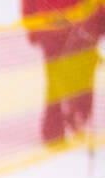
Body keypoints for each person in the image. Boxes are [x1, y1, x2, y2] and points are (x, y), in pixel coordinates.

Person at [23, 0, 102, 146]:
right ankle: (58, 127)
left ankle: (65, 124)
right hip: (60, 30)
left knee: (70, 79)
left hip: (73, 29)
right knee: (63, 80)